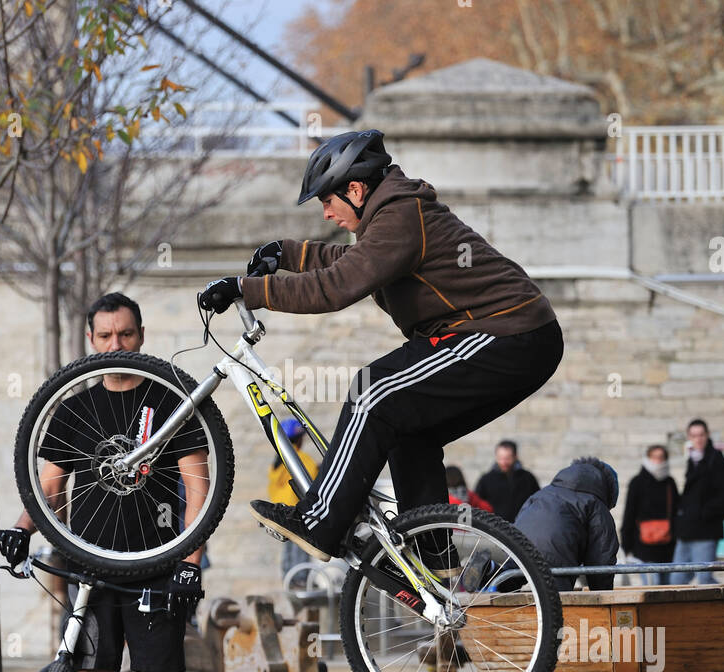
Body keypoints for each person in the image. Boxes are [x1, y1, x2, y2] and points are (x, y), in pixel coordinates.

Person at [199, 129, 563, 563]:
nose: (326, 214)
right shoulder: (389, 219)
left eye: (326, 201)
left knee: (372, 392)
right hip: (509, 337)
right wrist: (288, 254)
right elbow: (353, 263)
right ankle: (435, 556)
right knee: (407, 432)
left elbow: (335, 288)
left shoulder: (400, 217)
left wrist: (247, 289)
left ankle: (319, 523)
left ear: (355, 189)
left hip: (505, 333)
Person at [0, 292, 208, 672]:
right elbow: (50, 489)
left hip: (158, 564)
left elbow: (199, 489)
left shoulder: (171, 401)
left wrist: (191, 563)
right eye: (107, 335)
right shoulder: (71, 409)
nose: (117, 345)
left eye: (126, 334)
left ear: (142, 336)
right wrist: (21, 530)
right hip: (90, 567)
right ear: (91, 339)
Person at [514, 458, 619, 592]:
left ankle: (492, 571)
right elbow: (602, 556)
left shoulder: (542, 493)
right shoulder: (595, 503)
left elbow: (520, 519)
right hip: (555, 562)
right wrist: (603, 594)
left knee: (508, 583)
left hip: (517, 549)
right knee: (557, 608)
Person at [667, 419, 724, 585]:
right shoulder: (693, 459)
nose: (698, 439)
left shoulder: (716, 459)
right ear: (689, 437)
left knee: (705, 578)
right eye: (694, 435)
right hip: (686, 530)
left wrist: (703, 513)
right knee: (676, 579)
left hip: (705, 530)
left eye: (701, 435)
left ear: (707, 435)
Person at [266, 417, 320, 589]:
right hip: (298, 510)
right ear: (298, 439)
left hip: (282, 511)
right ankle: (300, 580)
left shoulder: (277, 463)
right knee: (301, 544)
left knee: (289, 547)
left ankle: (289, 578)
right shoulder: (301, 458)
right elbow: (311, 480)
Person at [621, 445, 680, 584]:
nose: (658, 461)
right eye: (654, 457)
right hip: (643, 547)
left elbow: (676, 512)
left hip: (667, 547)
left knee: (669, 589)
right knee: (652, 586)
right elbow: (629, 513)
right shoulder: (637, 482)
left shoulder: (670, 483)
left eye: (661, 457)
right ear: (647, 458)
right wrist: (626, 545)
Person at [476, 441, 540, 522]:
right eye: (500, 458)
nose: (503, 462)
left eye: (507, 458)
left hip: (522, 525)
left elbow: (537, 502)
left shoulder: (527, 478)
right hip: (494, 527)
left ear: (515, 456)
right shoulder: (486, 479)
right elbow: (477, 503)